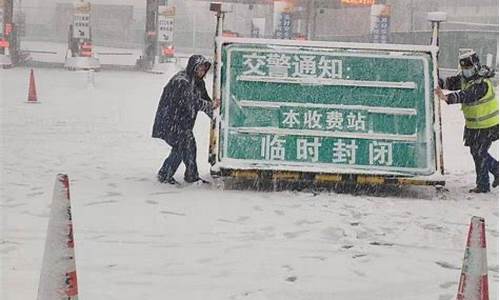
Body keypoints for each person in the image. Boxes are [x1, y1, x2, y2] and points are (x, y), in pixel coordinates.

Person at [435, 50, 499, 193]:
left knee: (479, 153)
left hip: (488, 125)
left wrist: (447, 98)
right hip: (474, 126)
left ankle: (489, 178)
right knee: (476, 153)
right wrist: (436, 81)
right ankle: (488, 178)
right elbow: (450, 82)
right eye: (464, 68)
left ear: (476, 66)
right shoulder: (465, 79)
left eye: (469, 67)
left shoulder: (482, 83)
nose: (466, 71)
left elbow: (467, 95)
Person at [152, 55, 220, 184]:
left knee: (188, 146)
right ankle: (166, 174)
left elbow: (205, 101)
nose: (202, 72)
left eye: (204, 70)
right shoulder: (181, 81)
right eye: (199, 69)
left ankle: (190, 176)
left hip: (182, 123)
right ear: (193, 68)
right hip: (170, 121)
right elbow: (191, 102)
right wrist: (211, 106)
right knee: (182, 146)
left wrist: (216, 116)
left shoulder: (198, 82)